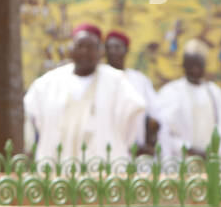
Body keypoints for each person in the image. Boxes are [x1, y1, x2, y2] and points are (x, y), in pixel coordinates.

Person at [23, 23, 145, 163]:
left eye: (91, 47)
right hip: (57, 163)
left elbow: (133, 116)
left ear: (100, 51)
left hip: (102, 164)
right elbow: (30, 115)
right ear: (71, 49)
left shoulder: (117, 82)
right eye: (80, 46)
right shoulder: (49, 82)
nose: (85, 52)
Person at [155, 40, 221, 162]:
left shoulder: (215, 93)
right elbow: (164, 131)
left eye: (198, 65)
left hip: (211, 159)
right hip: (179, 160)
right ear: (183, 65)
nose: (195, 70)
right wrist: (187, 149)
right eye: (190, 65)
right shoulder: (170, 92)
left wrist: (213, 151)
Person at [103, 29, 159, 155]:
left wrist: (149, 142)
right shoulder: (99, 78)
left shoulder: (139, 80)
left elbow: (154, 115)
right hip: (105, 147)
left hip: (136, 147)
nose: (112, 52)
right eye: (108, 47)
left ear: (126, 50)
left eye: (117, 47)